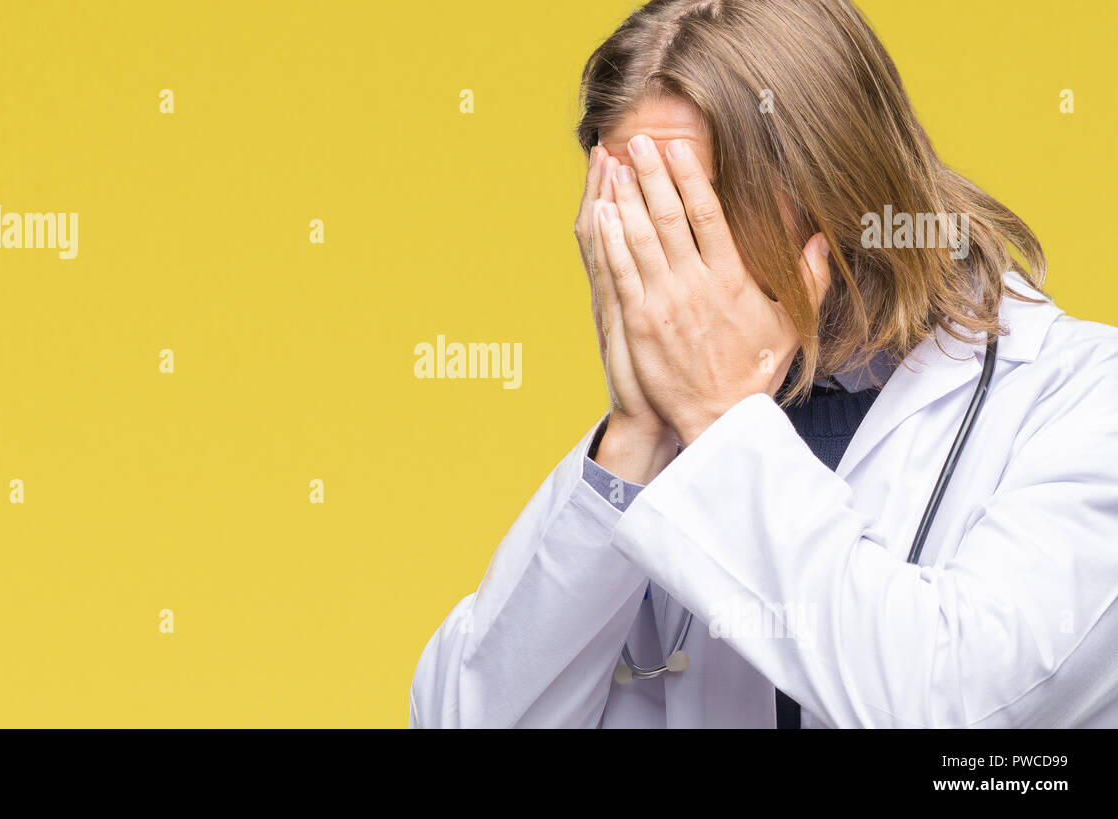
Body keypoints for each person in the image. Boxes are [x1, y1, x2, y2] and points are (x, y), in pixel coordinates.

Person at [407, 0, 1118, 728]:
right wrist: (634, 441)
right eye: (630, 214)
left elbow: (958, 712)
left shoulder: (1088, 402)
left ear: (834, 193)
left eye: (688, 212)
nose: (655, 263)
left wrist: (717, 418)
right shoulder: (664, 435)